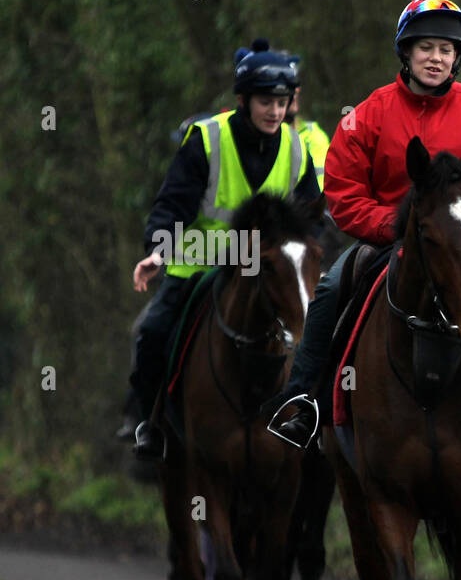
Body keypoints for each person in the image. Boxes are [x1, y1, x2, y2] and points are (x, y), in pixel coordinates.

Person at [268, 0, 461, 447]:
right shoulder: (367, 116)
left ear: (457, 59)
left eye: (446, 50)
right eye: (426, 47)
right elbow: (342, 190)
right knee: (332, 288)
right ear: (406, 52)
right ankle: (303, 403)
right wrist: (396, 229)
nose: (436, 58)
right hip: (388, 242)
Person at [130, 40, 319, 460]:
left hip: (271, 268)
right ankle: (148, 421)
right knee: (152, 331)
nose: (274, 111)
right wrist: (157, 252)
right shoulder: (205, 139)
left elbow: (311, 216)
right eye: (265, 101)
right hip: (202, 260)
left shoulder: (296, 147)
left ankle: (317, 420)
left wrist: (314, 257)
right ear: (243, 100)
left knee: (318, 330)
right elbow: (172, 203)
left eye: (282, 102)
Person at [284, 52, 331, 190]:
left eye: (296, 84)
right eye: (288, 85)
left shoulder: (314, 134)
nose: (296, 90)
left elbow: (322, 191)